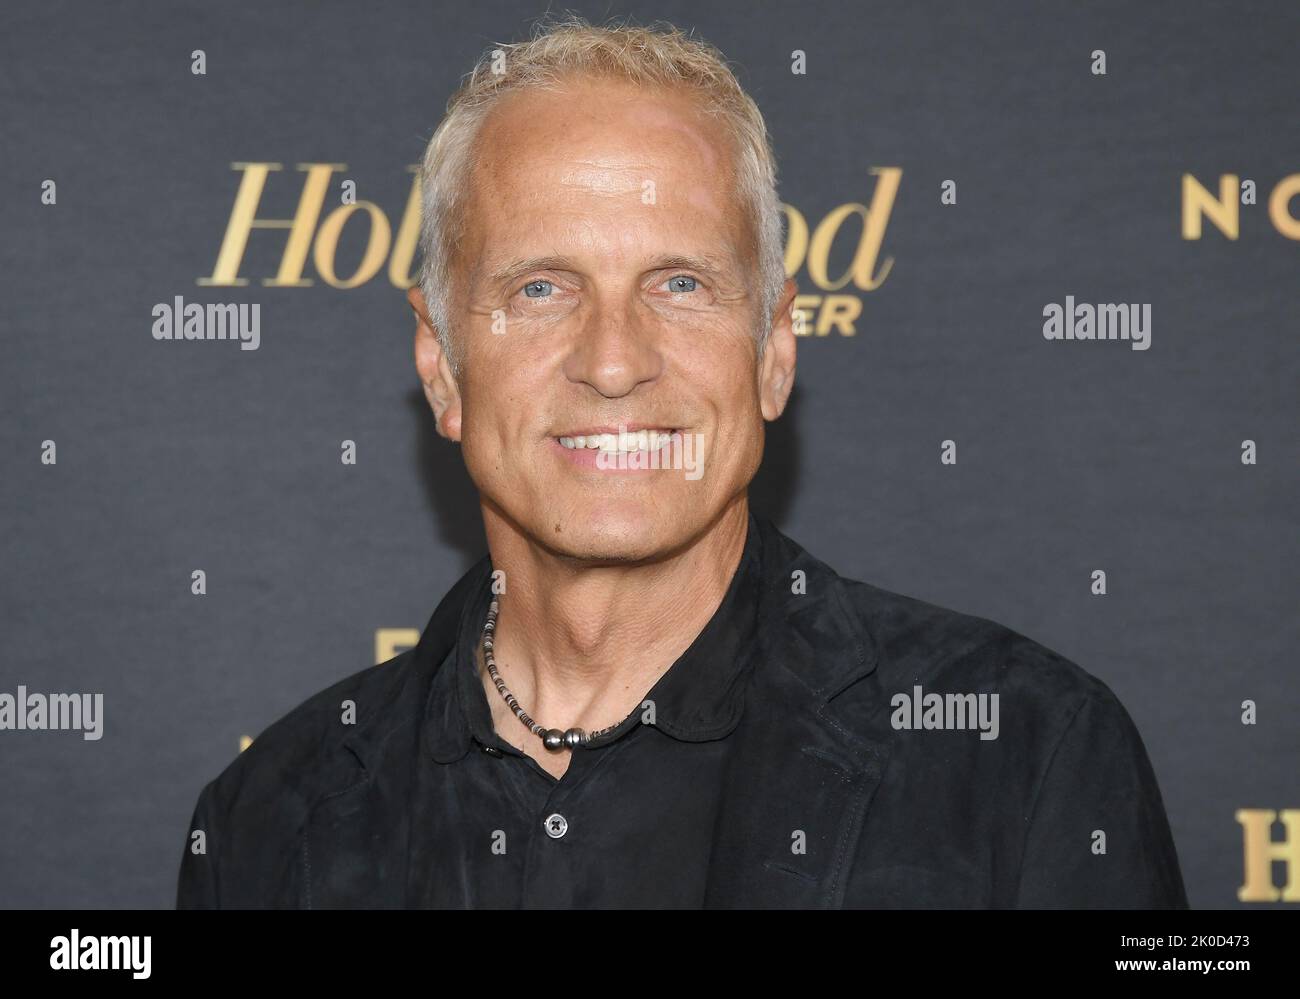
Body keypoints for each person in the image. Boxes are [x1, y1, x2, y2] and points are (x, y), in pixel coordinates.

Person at [176, 15, 1187, 908]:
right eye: (540, 288)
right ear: (441, 368)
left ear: (774, 352)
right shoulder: (274, 817)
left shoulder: (1023, 758)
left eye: (679, 283)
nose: (613, 361)